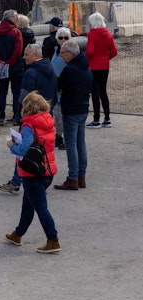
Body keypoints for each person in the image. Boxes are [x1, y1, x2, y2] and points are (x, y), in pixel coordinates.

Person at [4, 92, 60, 254]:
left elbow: (23, 148)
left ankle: (53, 239)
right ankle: (18, 234)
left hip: (32, 172)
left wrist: (11, 146)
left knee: (40, 207)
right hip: (48, 169)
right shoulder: (49, 121)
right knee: (28, 204)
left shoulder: (29, 125)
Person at [0, 45, 56, 193]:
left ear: (35, 55)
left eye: (26, 54)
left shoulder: (30, 73)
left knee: (23, 150)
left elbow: (23, 97)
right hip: (46, 115)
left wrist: (19, 115)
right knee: (41, 149)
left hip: (32, 117)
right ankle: (37, 177)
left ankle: (18, 181)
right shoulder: (50, 69)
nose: (24, 57)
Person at [55, 39, 91, 190]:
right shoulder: (85, 67)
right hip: (83, 108)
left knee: (70, 144)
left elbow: (59, 86)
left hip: (71, 109)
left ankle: (73, 177)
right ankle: (81, 176)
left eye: (62, 53)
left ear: (70, 54)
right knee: (80, 143)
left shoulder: (69, 70)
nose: (61, 56)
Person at [0, 9, 23, 126]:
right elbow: (18, 50)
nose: (17, 19)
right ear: (11, 18)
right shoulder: (16, 32)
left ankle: (0, 116)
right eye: (16, 17)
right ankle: (16, 116)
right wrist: (9, 61)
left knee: (2, 91)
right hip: (15, 66)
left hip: (1, 66)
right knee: (16, 91)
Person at [85, 11, 117, 128]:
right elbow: (114, 51)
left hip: (94, 66)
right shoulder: (108, 34)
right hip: (104, 66)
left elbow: (90, 51)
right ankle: (107, 118)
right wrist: (105, 58)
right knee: (103, 92)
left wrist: (85, 57)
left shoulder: (92, 34)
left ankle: (96, 119)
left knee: (95, 93)